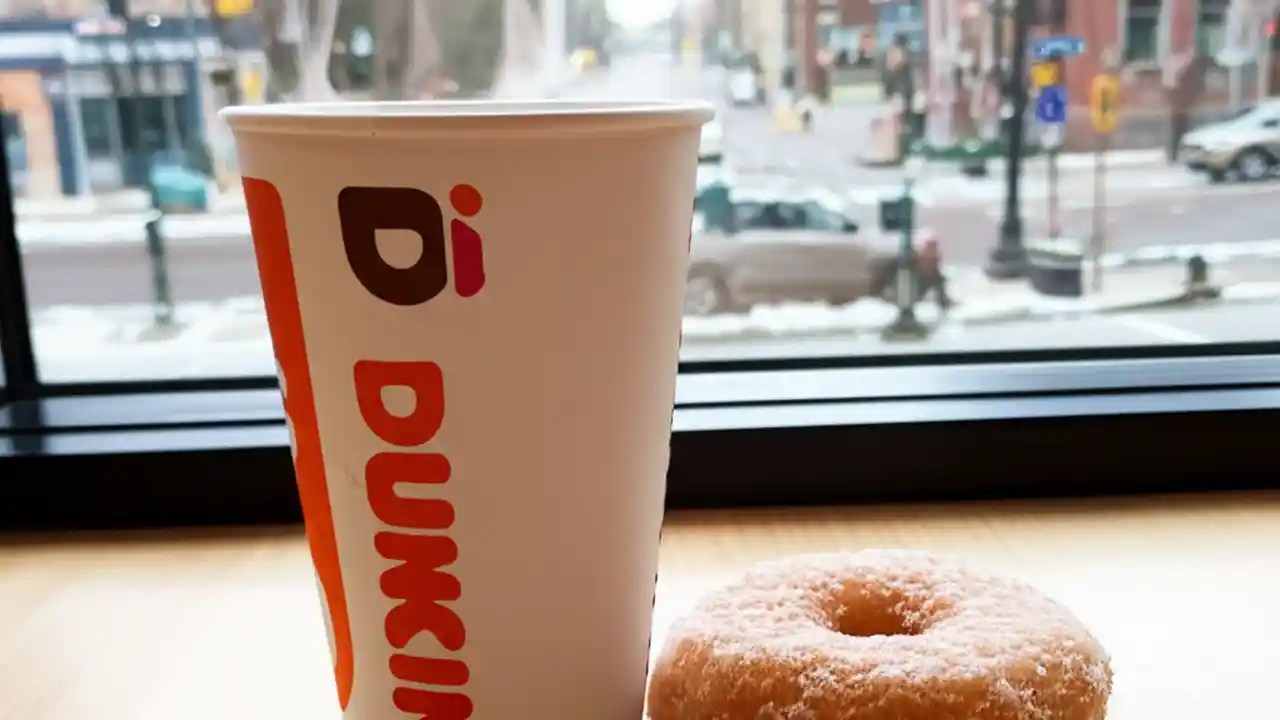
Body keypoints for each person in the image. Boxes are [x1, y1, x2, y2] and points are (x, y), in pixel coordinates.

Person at [915, 228, 951, 311]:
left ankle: (944, 304)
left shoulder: (935, 258)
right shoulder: (919, 256)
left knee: (940, 280)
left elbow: (937, 273)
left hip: (928, 279)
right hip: (918, 280)